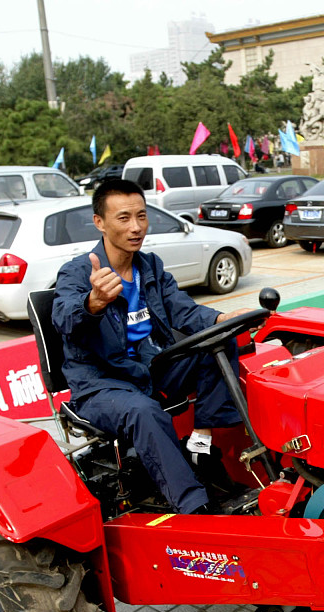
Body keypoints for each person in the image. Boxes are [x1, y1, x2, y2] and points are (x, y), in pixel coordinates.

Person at [53, 179, 252, 513]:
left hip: (149, 368)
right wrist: (93, 302)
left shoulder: (151, 267)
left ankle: (200, 444)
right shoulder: (78, 272)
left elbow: (184, 311)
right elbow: (64, 318)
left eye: (142, 217)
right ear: (99, 222)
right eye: (124, 218)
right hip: (101, 385)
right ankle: (194, 507)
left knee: (222, 341)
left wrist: (222, 318)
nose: (136, 227)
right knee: (144, 412)